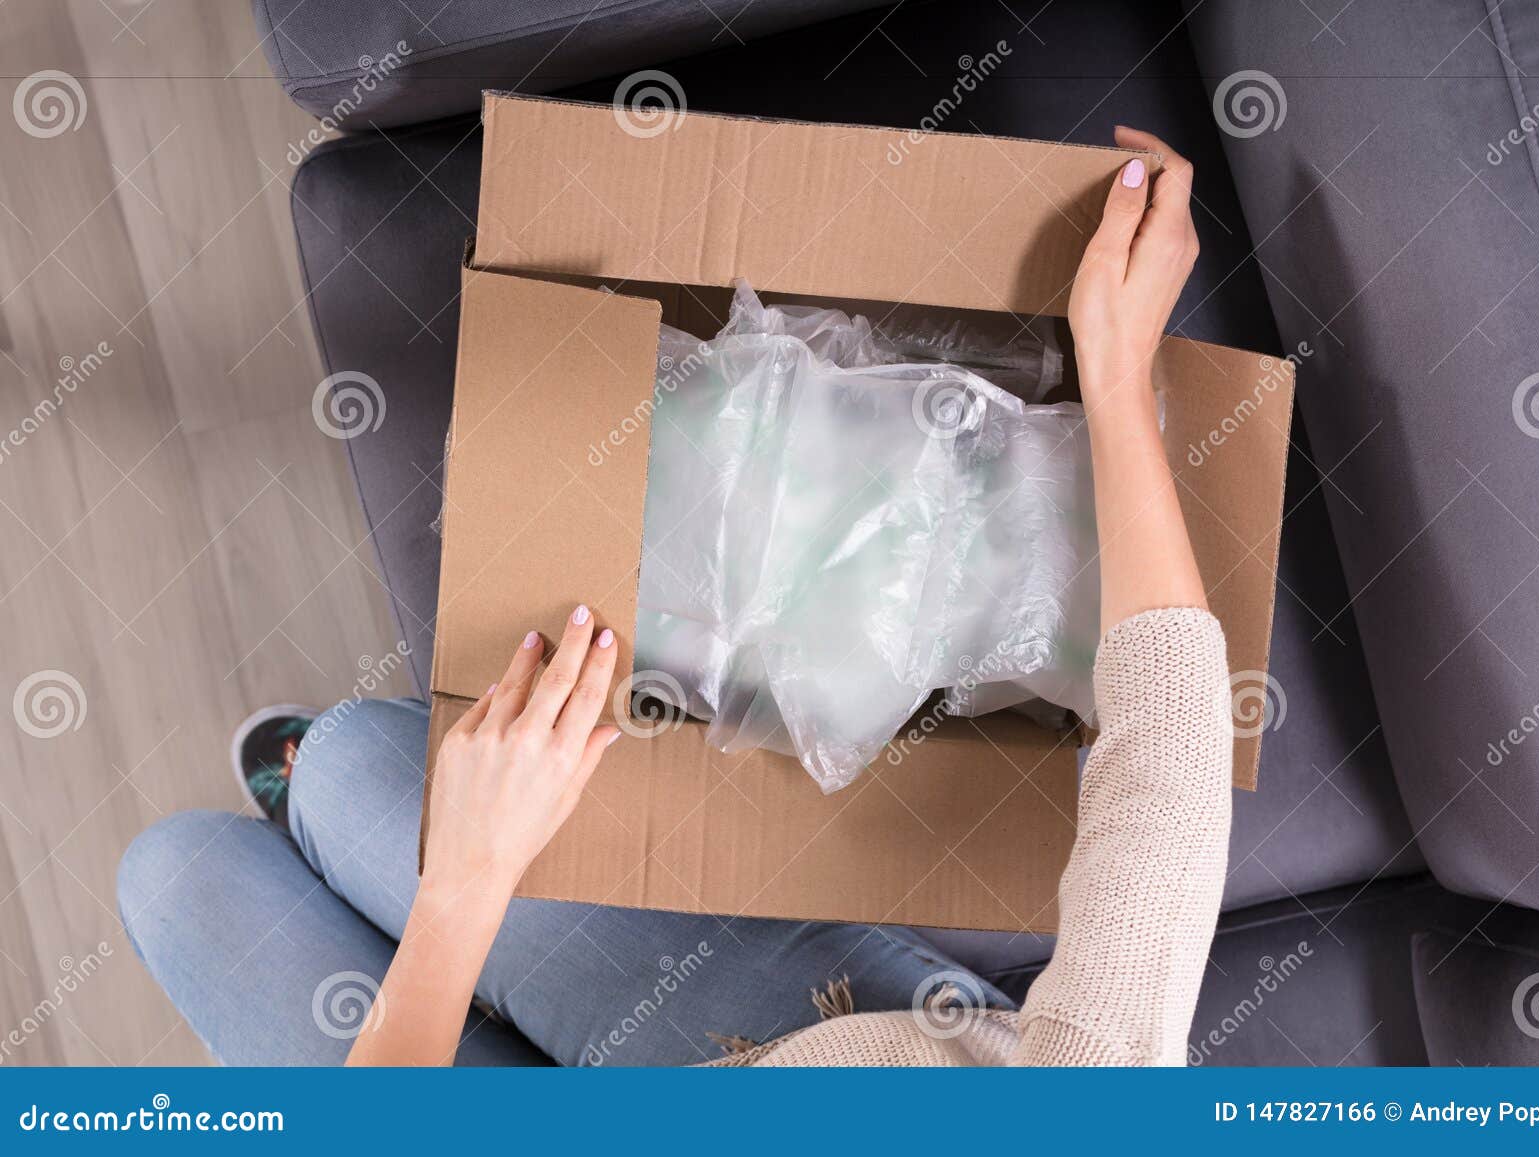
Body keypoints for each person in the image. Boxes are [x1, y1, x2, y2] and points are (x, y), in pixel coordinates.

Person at [118, 128, 1230, 1066]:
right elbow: (1166, 761)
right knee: (355, 760)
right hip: (793, 1043)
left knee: (174, 875)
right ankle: (323, 807)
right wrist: (1115, 370)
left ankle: (333, 830)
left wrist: (467, 882)